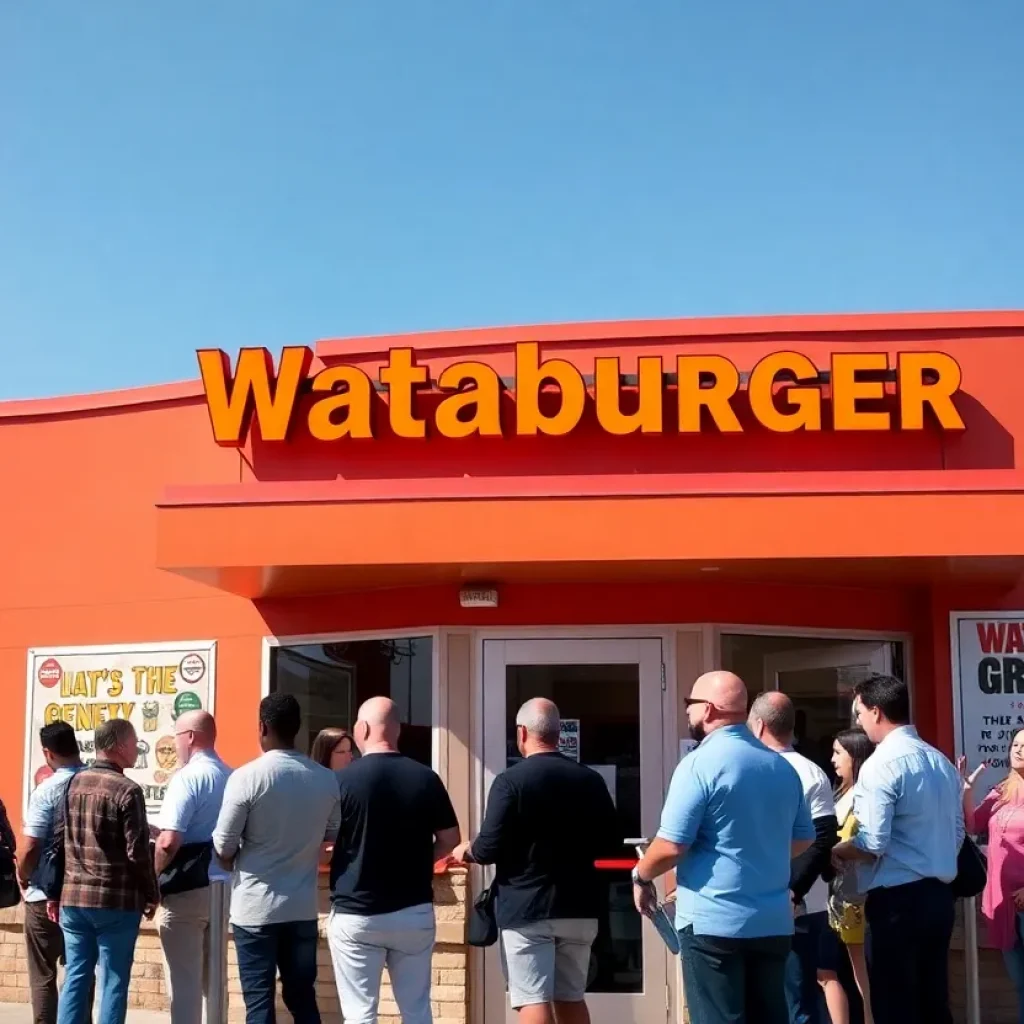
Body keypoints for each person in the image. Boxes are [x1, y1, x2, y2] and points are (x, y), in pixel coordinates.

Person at [633, 671, 814, 1024]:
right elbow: (804, 838)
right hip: (772, 920)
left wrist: (640, 875)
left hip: (713, 923)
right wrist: (760, 855)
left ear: (708, 709)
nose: (687, 711)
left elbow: (671, 845)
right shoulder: (781, 766)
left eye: (690, 704)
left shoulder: (698, 764)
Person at [452, 698, 622, 1024]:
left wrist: (466, 850)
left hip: (526, 907)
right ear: (558, 734)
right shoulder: (591, 780)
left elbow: (488, 848)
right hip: (580, 906)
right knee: (571, 997)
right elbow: (611, 842)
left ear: (522, 733)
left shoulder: (510, 782)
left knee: (532, 999)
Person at [831, 674, 964, 1024]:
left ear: (876, 711)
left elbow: (872, 842)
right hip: (939, 897)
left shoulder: (881, 764)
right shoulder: (941, 761)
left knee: (895, 1005)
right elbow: (957, 834)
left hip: (897, 901)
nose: (859, 721)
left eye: (859, 713)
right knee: (933, 1002)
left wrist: (840, 850)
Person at [327, 697, 461, 1024]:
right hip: (412, 910)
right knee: (417, 1011)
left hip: (356, 912)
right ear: (397, 730)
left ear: (362, 729)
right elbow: (450, 839)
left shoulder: (339, 782)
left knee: (360, 1016)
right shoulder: (426, 778)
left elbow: (320, 844)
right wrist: (420, 861)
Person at [213, 693, 341, 1024]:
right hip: (301, 909)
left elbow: (224, 844)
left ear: (262, 727)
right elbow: (332, 837)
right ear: (297, 727)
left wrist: (233, 858)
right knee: (303, 999)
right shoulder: (325, 778)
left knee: (259, 1003)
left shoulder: (247, 777)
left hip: (255, 909)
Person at [56, 718, 159, 1024]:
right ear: (119, 745)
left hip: (74, 898)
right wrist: (151, 892)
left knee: (76, 976)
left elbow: (60, 839)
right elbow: (137, 853)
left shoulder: (72, 784)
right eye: (134, 743)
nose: (137, 749)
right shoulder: (128, 790)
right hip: (116, 900)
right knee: (113, 980)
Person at [748, 691, 838, 1024]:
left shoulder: (747, 771)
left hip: (783, 907)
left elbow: (822, 838)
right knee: (796, 1001)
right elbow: (823, 838)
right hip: (801, 904)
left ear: (759, 725)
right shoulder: (812, 772)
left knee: (785, 1002)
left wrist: (792, 892)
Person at [153, 709, 232, 1024]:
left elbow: (169, 841)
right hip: (224, 886)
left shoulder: (187, 778)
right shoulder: (232, 776)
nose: (175, 745)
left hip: (186, 889)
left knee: (184, 980)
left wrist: (151, 878)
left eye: (176, 737)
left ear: (189, 737)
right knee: (216, 977)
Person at [16, 723, 92, 1024]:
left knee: (43, 975)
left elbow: (31, 846)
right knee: (81, 972)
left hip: (44, 894)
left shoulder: (46, 790)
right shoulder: (96, 782)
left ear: (47, 753)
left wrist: (23, 875)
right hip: (87, 895)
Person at [960, 727, 1024, 1024]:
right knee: (1020, 984)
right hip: (1003, 904)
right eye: (1016, 744)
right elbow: (972, 824)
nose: (1019, 750)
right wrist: (966, 790)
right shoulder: (1001, 791)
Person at [820, 728, 876, 1024]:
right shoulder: (839, 792)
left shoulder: (867, 795)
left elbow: (871, 845)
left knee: (859, 971)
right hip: (837, 897)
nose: (832, 759)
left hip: (858, 895)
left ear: (856, 756)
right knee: (834, 970)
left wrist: (834, 849)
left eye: (838, 753)